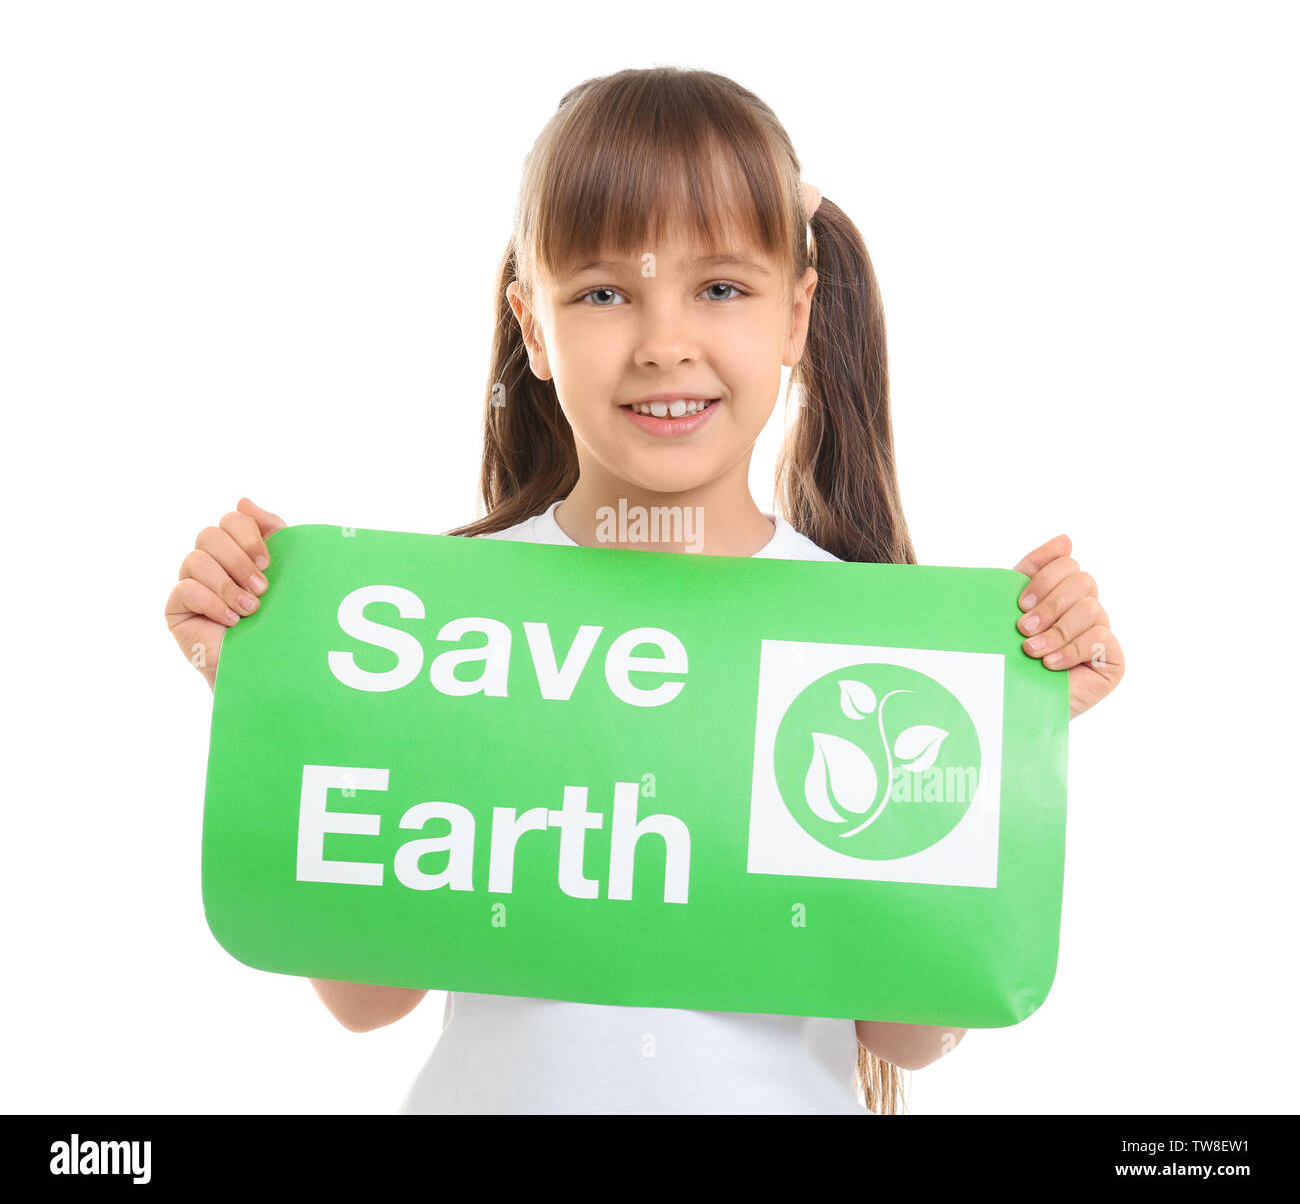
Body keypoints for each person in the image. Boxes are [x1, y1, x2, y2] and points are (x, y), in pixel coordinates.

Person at [164, 66, 1125, 1115]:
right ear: (533, 328)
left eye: (720, 288)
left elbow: (908, 1029)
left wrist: (1013, 732)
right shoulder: (438, 623)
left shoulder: (868, 646)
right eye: (604, 292)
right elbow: (367, 994)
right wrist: (274, 697)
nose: (665, 341)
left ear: (796, 316)